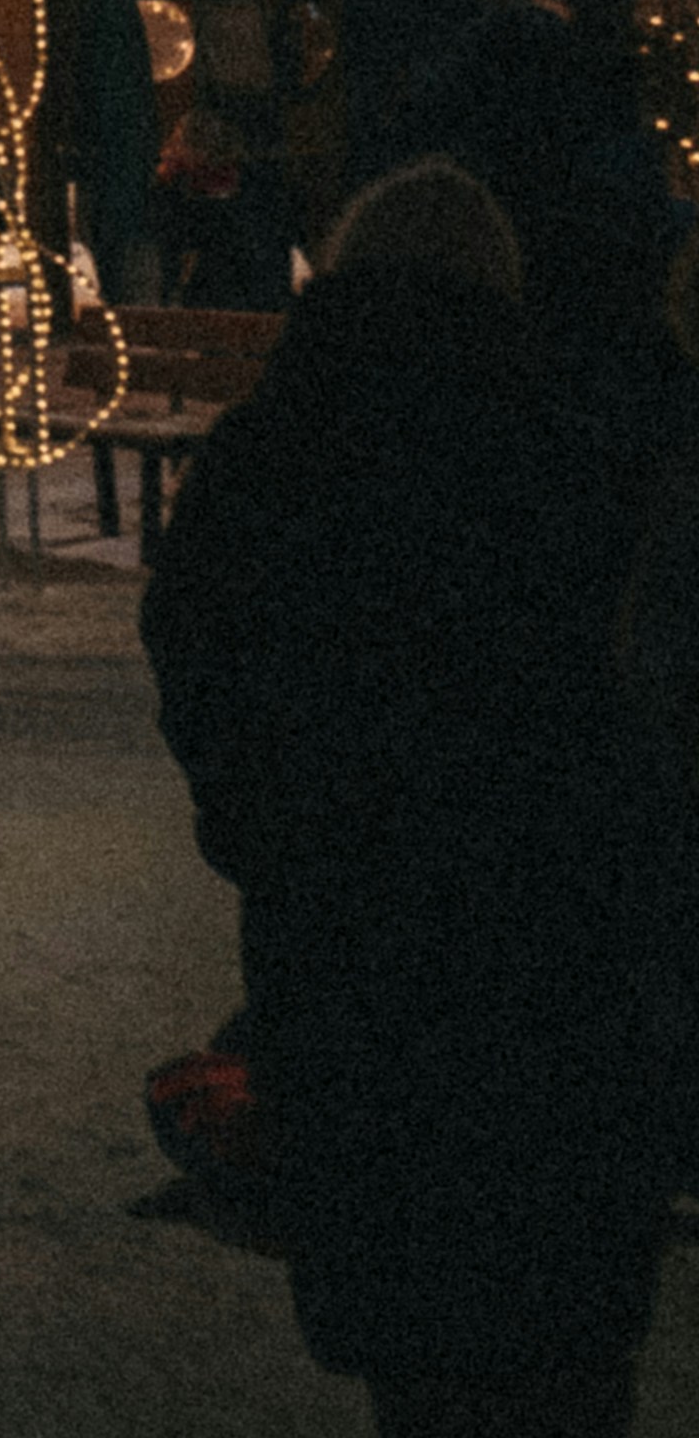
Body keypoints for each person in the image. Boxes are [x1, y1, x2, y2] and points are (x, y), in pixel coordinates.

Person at [150, 163, 667, 1434]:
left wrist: (259, 824)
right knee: (559, 1316)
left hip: (347, 928)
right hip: (551, 941)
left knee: (417, 1315)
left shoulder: (276, 448)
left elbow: (197, 652)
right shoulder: (560, 443)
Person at [158, 109, 301, 315]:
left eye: (175, 144)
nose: (165, 152)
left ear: (201, 153)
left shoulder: (260, 208)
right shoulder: (178, 205)